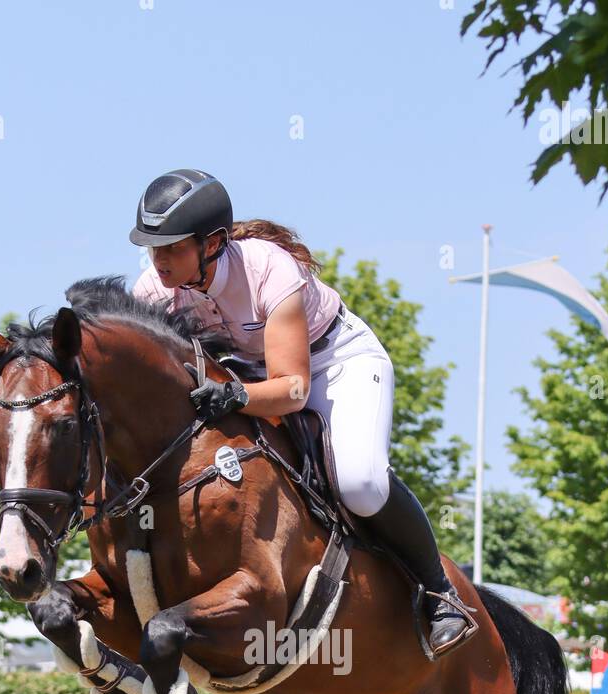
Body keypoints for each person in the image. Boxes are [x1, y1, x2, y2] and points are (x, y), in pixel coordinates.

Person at [129, 168, 476, 656]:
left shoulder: (269, 270)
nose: (159, 260)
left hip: (333, 363)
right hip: (246, 373)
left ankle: (441, 595)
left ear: (212, 244)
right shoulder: (152, 291)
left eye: (171, 247)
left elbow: (292, 389)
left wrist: (238, 397)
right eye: (153, 248)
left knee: (360, 482)